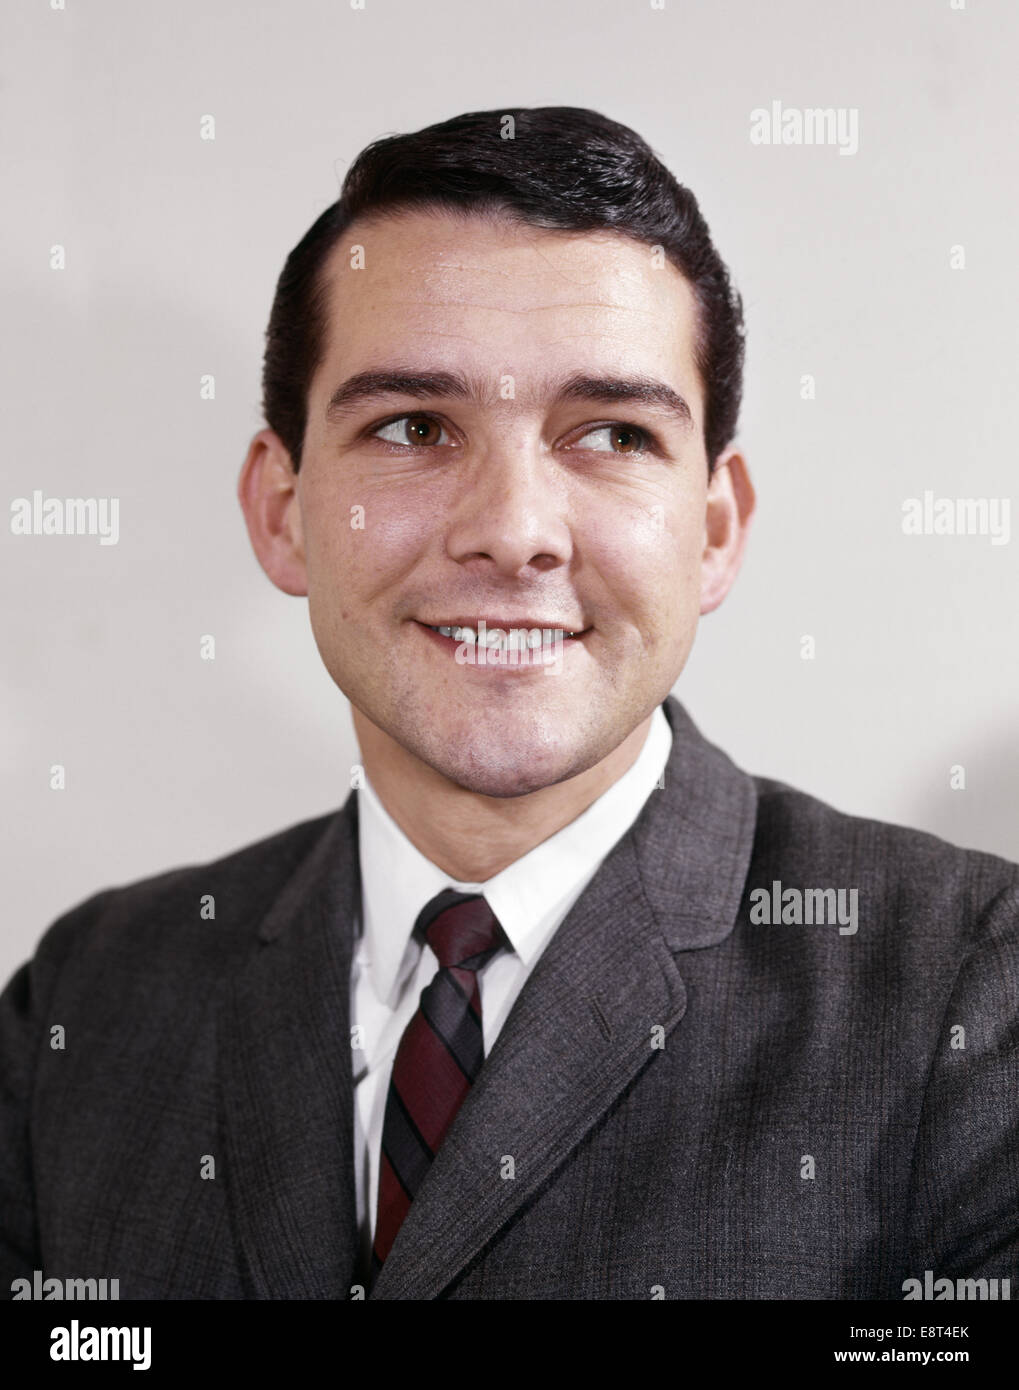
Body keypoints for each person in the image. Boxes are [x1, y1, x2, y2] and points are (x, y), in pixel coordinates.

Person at [2, 106, 1016, 1302]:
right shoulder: (89, 998)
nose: (513, 533)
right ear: (282, 510)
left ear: (711, 527)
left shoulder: (968, 987)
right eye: (414, 427)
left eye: (610, 433)